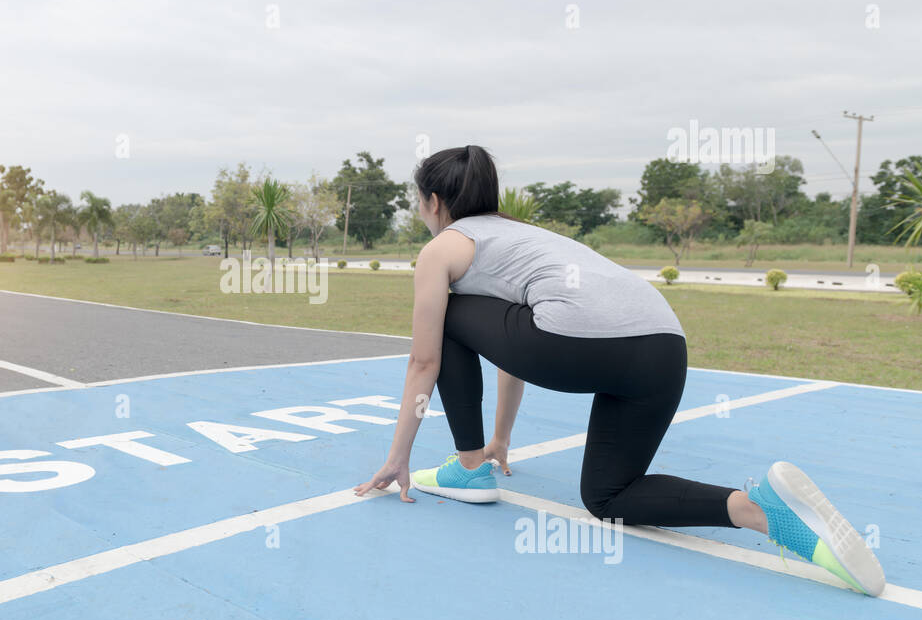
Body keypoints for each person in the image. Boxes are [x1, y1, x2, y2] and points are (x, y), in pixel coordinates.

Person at [353, 144, 885, 596]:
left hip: (576, 344)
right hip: (664, 350)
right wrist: (501, 438)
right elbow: (509, 343)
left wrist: (399, 455)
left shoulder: (443, 247)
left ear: (434, 201)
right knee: (608, 496)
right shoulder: (527, 238)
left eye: (418, 202)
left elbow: (426, 359)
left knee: (444, 321)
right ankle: (762, 511)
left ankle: (467, 469)